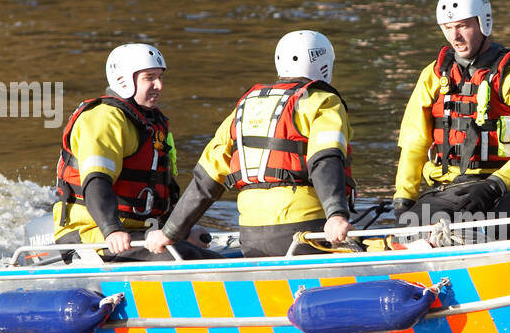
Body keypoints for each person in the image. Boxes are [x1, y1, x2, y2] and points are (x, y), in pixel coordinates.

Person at [146, 30, 354, 259]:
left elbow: (206, 179)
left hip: (251, 237)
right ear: (324, 63)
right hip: (304, 233)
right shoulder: (324, 101)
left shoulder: (245, 105)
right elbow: (325, 159)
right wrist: (336, 214)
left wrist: (170, 232)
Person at [392, 0, 510, 239]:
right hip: (450, 190)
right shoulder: (433, 77)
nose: (455, 37)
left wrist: (495, 185)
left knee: (506, 231)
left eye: (462, 26)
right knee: (406, 234)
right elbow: (414, 143)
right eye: (448, 28)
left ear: (484, 23)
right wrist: (404, 198)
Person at [54, 43, 214, 261]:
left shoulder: (153, 123)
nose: (159, 85)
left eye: (160, 77)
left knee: (200, 251)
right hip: (94, 234)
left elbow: (166, 187)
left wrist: (179, 231)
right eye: (149, 77)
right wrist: (112, 229)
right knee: (184, 256)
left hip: (141, 232)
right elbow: (96, 181)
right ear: (124, 80)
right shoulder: (104, 119)